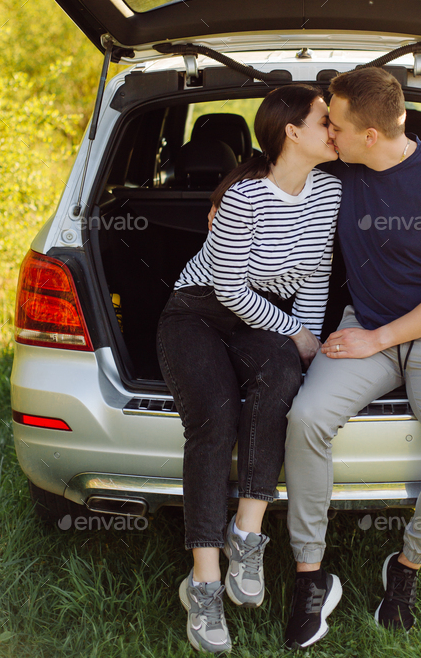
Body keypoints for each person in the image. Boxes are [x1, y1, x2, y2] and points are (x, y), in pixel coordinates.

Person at [283, 66, 421, 649]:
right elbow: (276, 169)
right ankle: (310, 574)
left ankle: (405, 567)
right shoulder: (342, 169)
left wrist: (380, 340)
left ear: (369, 136)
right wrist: (230, 201)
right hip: (366, 327)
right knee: (305, 420)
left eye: (336, 124)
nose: (328, 132)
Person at [156, 84, 342, 654]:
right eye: (325, 123)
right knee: (212, 414)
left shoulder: (330, 190)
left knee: (283, 377)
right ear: (292, 133)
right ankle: (204, 584)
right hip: (198, 311)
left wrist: (302, 344)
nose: (334, 132)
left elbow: (313, 273)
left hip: (258, 321)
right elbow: (231, 289)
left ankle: (248, 532)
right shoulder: (244, 197)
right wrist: (294, 331)